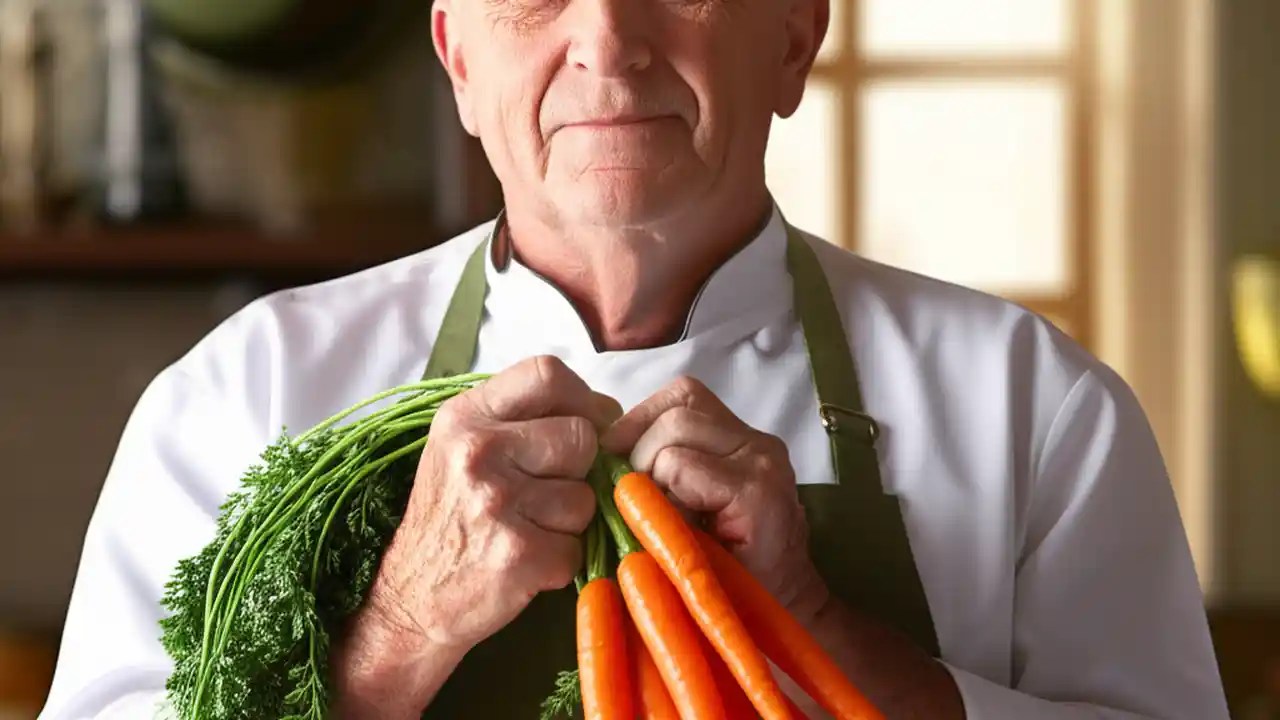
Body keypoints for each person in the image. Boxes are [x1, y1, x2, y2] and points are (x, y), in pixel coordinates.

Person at [40, 0, 1229, 717]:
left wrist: (815, 627)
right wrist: (399, 625)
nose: (605, 43)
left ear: (794, 36)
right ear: (459, 60)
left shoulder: (1034, 408)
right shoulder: (240, 398)